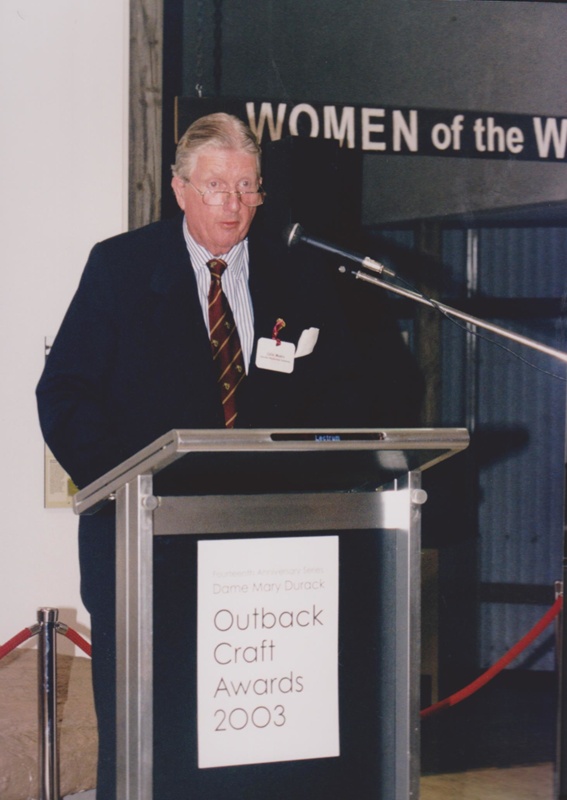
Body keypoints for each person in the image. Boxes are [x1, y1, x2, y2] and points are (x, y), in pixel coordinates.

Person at [36, 112, 414, 799]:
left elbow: (347, 395)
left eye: (247, 188)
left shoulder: (297, 272)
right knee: (153, 741)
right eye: (215, 187)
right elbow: (63, 393)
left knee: (256, 741)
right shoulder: (120, 267)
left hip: (267, 553)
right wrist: (126, 484)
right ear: (179, 190)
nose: (233, 205)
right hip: (145, 543)